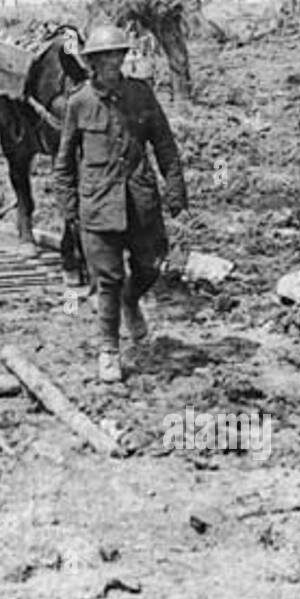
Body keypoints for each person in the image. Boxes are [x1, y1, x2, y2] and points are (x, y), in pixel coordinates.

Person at [55, 24, 187, 383]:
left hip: (140, 202)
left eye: (117, 55)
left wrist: (175, 191)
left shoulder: (141, 95)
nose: (112, 62)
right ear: (92, 63)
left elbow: (164, 144)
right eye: (103, 57)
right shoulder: (79, 103)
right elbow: (64, 163)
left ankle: (132, 300)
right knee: (108, 279)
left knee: (151, 266)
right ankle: (109, 350)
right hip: (98, 206)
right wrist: (70, 211)